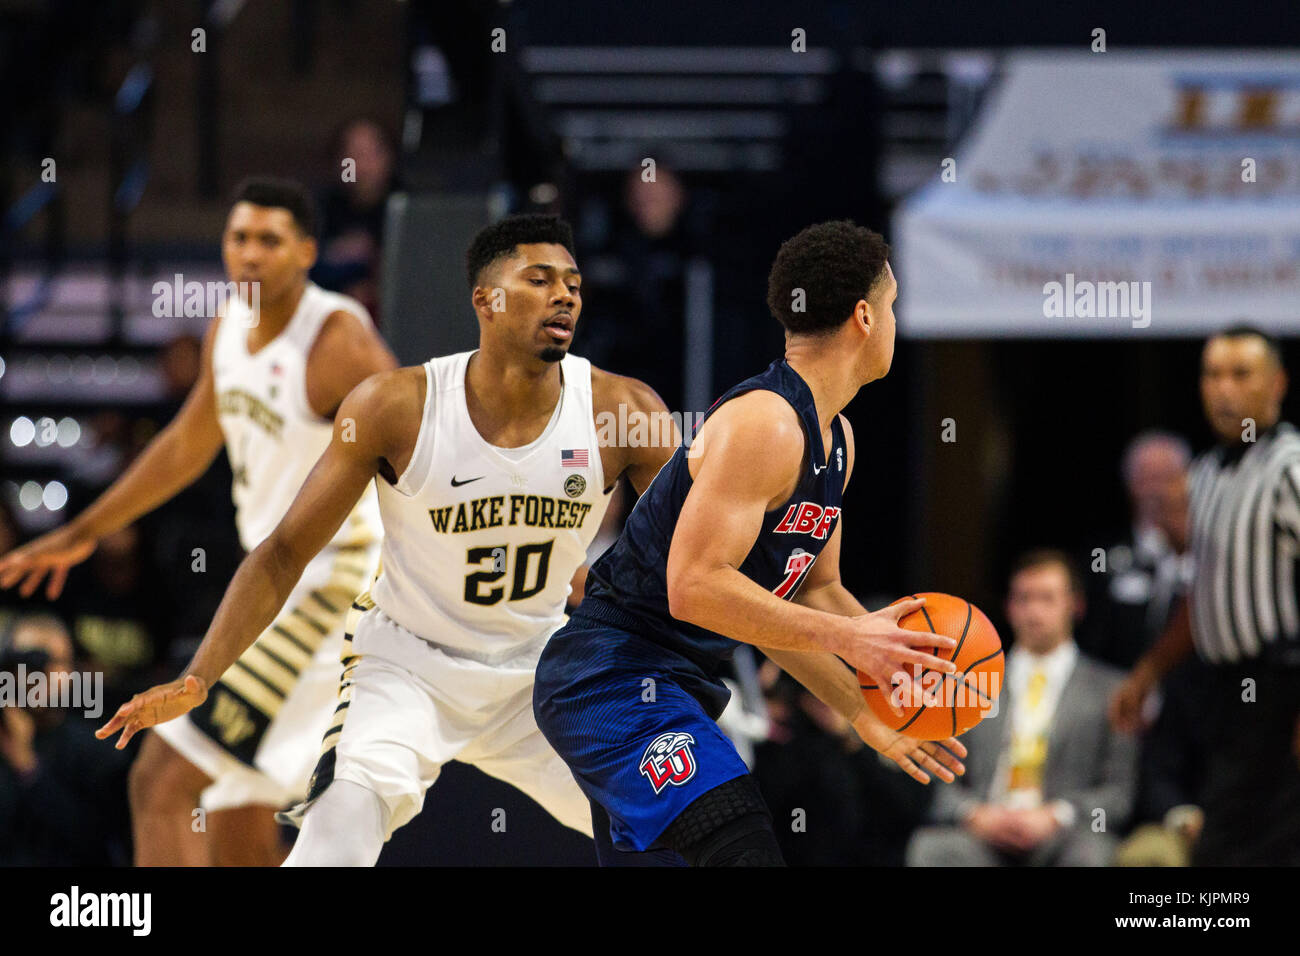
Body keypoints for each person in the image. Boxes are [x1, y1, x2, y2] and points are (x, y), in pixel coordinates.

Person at [95, 214, 679, 866]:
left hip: (537, 668)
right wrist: (202, 676)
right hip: (408, 669)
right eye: (540, 279)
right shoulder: (395, 407)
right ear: (486, 299)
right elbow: (283, 550)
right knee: (334, 838)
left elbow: (696, 561)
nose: (565, 295)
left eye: (572, 282)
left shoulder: (625, 411)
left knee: (687, 822)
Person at [533, 220, 968, 867]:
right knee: (743, 846)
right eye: (894, 303)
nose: (897, 321)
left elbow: (806, 596)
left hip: (680, 686)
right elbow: (697, 588)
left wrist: (869, 701)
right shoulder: (765, 423)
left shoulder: (837, 440)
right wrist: (855, 640)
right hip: (611, 675)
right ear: (864, 317)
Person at [0, 177, 396, 866]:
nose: (249, 254)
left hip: (338, 591)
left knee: (164, 779)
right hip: (274, 585)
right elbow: (183, 447)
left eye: (269, 240)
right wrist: (81, 530)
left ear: (305, 252)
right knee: (234, 804)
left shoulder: (335, 339)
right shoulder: (228, 329)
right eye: (238, 237)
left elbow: (418, 439)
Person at [1111, 324, 1300, 865]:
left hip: (1281, 686)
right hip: (1224, 692)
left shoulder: (1289, 468)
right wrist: (1148, 671)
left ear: (1277, 383)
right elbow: (1206, 595)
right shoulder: (1205, 473)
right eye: (1212, 374)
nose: (1223, 389)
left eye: (1241, 374)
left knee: (1235, 847)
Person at [907, 550, 1138, 867]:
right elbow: (936, 777)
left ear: (1075, 605)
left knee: (1091, 854)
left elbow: (1119, 794)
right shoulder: (971, 682)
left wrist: (1057, 815)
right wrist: (975, 814)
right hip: (984, 834)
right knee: (931, 849)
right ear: (1009, 607)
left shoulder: (1112, 689)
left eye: (1046, 598)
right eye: (1023, 599)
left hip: (1066, 837)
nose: (1033, 611)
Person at [1081, 432, 1193, 668]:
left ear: (1187, 482)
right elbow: (1091, 635)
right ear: (1129, 483)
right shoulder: (1102, 557)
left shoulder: (1207, 555)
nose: (1156, 490)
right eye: (1146, 478)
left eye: (1167, 477)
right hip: (1116, 685)